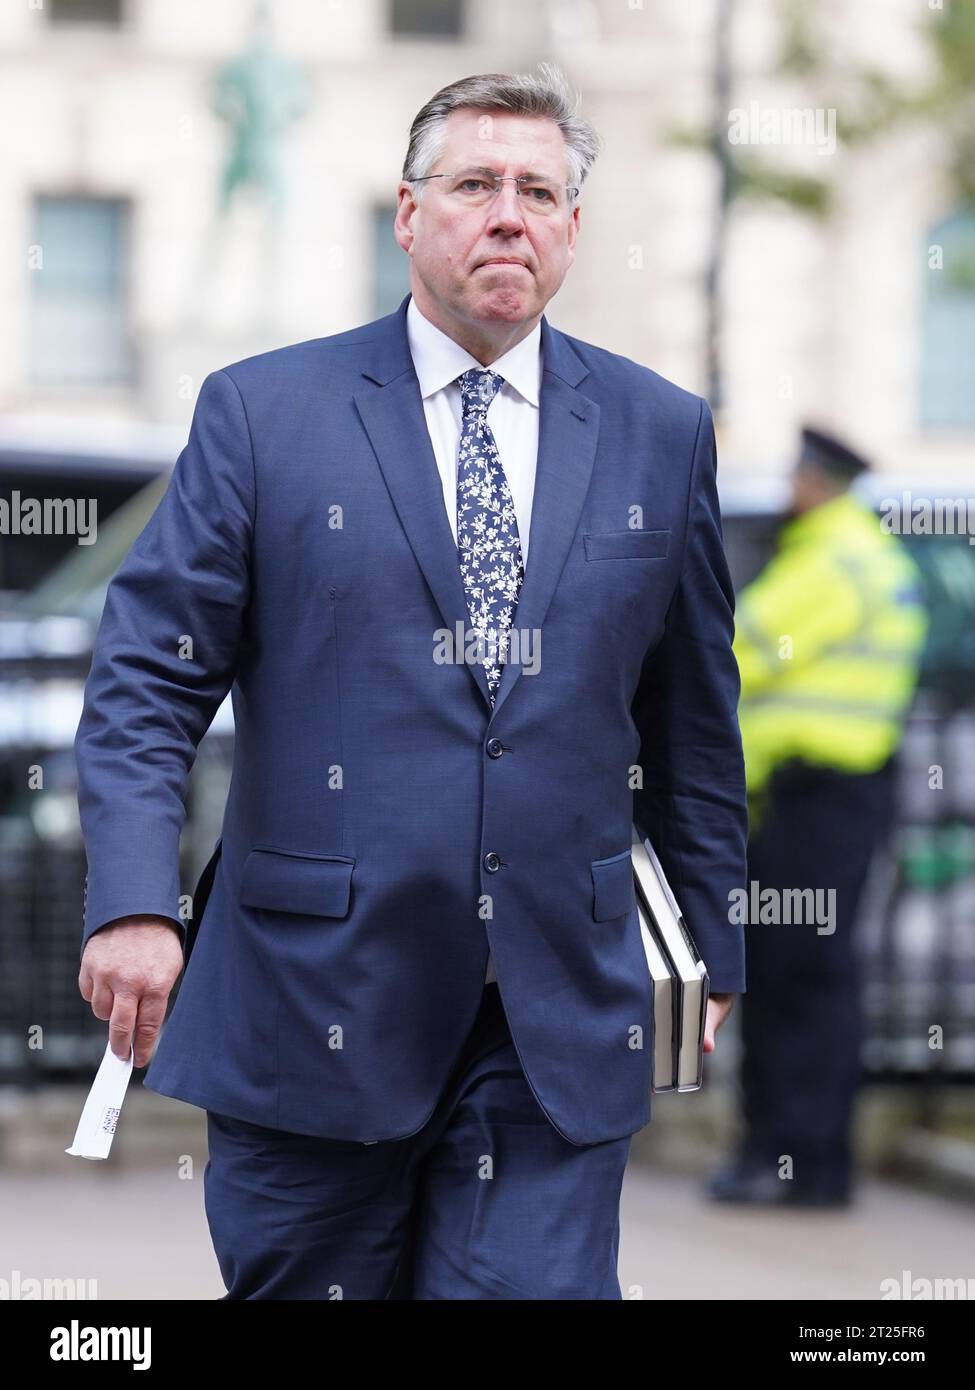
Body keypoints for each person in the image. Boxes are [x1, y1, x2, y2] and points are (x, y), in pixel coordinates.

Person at [75, 64, 747, 1300]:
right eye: (476, 183)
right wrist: (130, 904)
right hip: (317, 996)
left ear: (575, 228)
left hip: (551, 1011)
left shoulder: (660, 429)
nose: (509, 215)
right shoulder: (266, 414)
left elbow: (695, 725)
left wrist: (713, 942)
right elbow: (145, 684)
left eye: (539, 191)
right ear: (407, 213)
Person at [707, 426, 929, 1208]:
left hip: (813, 797)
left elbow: (731, 653)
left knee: (791, 978)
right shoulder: (866, 554)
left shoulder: (830, 559)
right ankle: (804, 1162)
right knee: (813, 977)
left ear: (813, 479)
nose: (786, 487)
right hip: (834, 795)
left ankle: (785, 1161)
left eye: (792, 473)